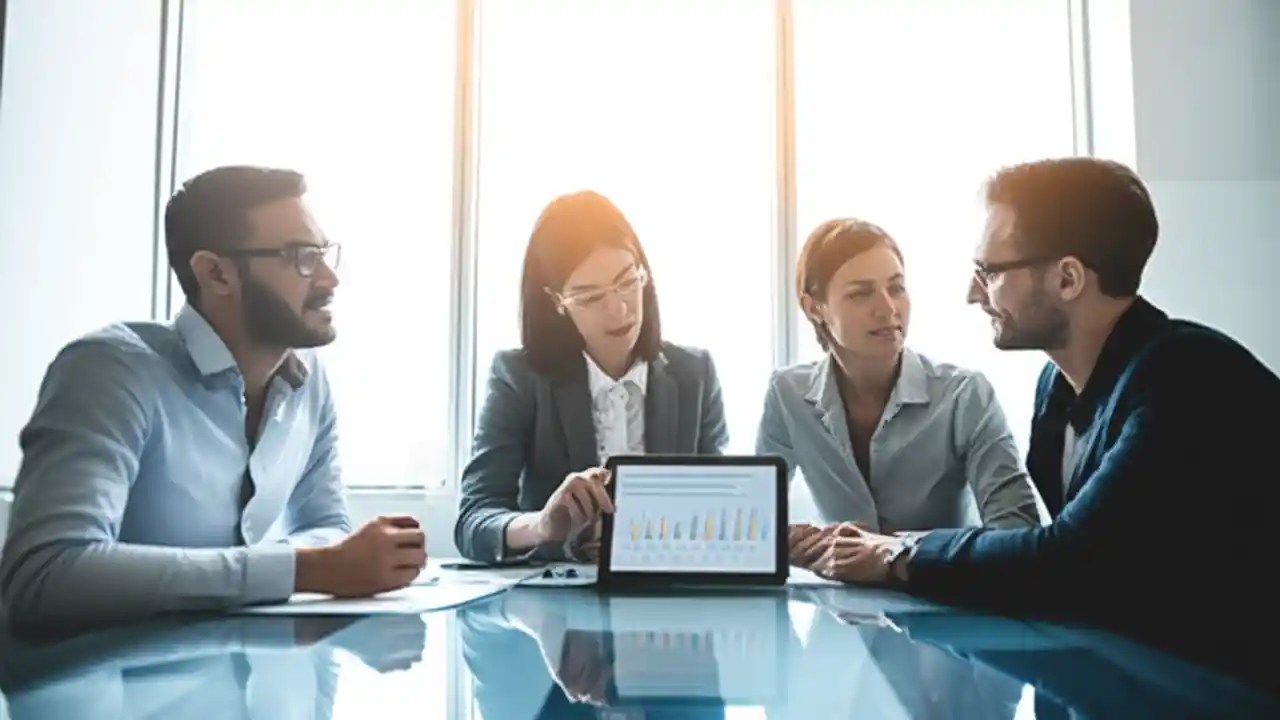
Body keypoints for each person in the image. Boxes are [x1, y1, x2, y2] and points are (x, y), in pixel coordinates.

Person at [812, 157, 1280, 690]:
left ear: (1068, 278)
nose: (972, 292)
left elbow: (1070, 564)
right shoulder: (1053, 389)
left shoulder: (1187, 376)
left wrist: (899, 553)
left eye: (988, 271)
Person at [0, 166, 427, 629]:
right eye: (300, 256)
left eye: (323, 253)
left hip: (241, 670)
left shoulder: (310, 380)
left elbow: (325, 526)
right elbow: (44, 573)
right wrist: (308, 570)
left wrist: (333, 563)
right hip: (100, 682)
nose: (328, 278)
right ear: (217, 274)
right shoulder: (110, 371)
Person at [454, 190, 729, 563]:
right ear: (557, 302)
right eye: (589, 296)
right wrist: (542, 525)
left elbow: (718, 510)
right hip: (554, 608)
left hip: (668, 596)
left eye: (627, 282)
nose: (618, 309)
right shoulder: (518, 378)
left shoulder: (694, 374)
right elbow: (473, 521)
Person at [761, 218, 1044, 570]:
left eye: (896, 288)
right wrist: (796, 542)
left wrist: (892, 550)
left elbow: (1018, 534)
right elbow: (755, 527)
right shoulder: (787, 393)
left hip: (946, 606)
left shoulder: (964, 395)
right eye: (861, 293)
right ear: (813, 307)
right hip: (841, 613)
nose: (888, 308)